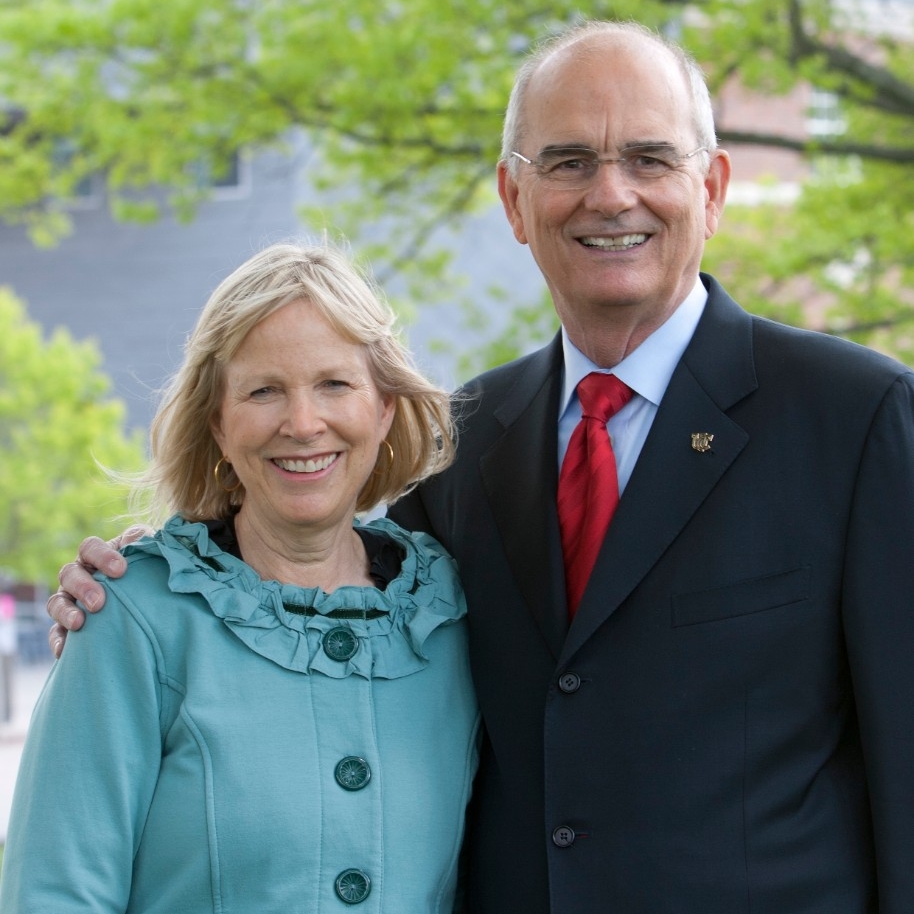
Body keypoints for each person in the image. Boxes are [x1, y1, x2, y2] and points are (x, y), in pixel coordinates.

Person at [48, 20, 914, 914]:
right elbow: (320, 576)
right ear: (512, 199)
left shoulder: (856, 419)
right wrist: (146, 581)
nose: (611, 194)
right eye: (569, 162)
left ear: (713, 186)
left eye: (651, 159)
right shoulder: (461, 447)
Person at [2, 241, 480, 913]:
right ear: (219, 425)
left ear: (384, 409)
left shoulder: (449, 614)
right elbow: (54, 893)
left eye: (334, 384)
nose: (303, 423)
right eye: (263, 391)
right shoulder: (134, 616)